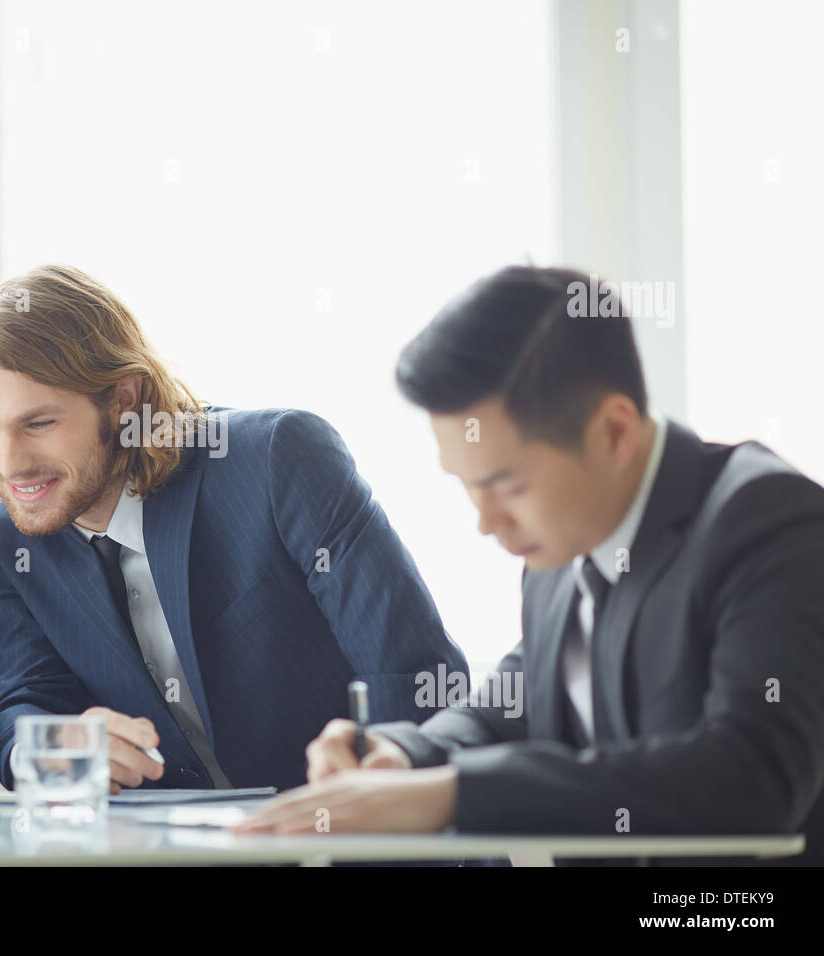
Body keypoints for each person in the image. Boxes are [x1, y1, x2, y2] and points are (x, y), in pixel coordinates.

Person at [239, 265, 824, 865]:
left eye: (508, 485)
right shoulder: (563, 547)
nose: (487, 524)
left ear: (614, 431)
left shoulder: (767, 521)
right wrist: (406, 754)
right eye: (467, 487)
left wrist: (454, 796)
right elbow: (514, 707)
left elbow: (754, 772)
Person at [0, 263, 465, 793]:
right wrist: (59, 744)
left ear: (123, 400)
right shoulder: (4, 536)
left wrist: (378, 801)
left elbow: (414, 675)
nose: (7, 463)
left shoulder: (274, 459)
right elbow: (21, 707)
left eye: (39, 423)